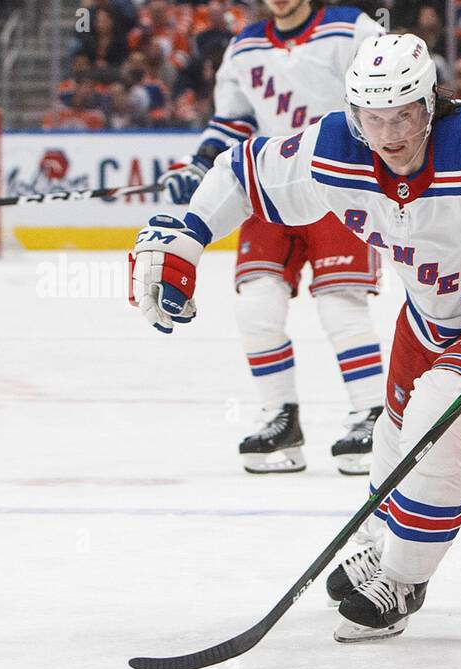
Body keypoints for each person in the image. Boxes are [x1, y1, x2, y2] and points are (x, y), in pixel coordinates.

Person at [128, 33, 461, 642]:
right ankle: (382, 543)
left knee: (438, 416)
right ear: (354, 115)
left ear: (431, 105)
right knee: (394, 434)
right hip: (433, 315)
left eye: (404, 115)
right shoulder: (333, 150)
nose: (390, 134)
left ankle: (404, 578)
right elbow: (241, 171)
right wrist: (186, 234)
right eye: (374, 119)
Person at [157, 0, 387, 475]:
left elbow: (383, 102)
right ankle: (280, 416)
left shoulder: (351, 30)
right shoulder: (244, 46)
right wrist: (200, 165)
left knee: (340, 303)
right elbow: (233, 123)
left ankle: (371, 413)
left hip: (337, 183)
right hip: (269, 185)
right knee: (257, 303)